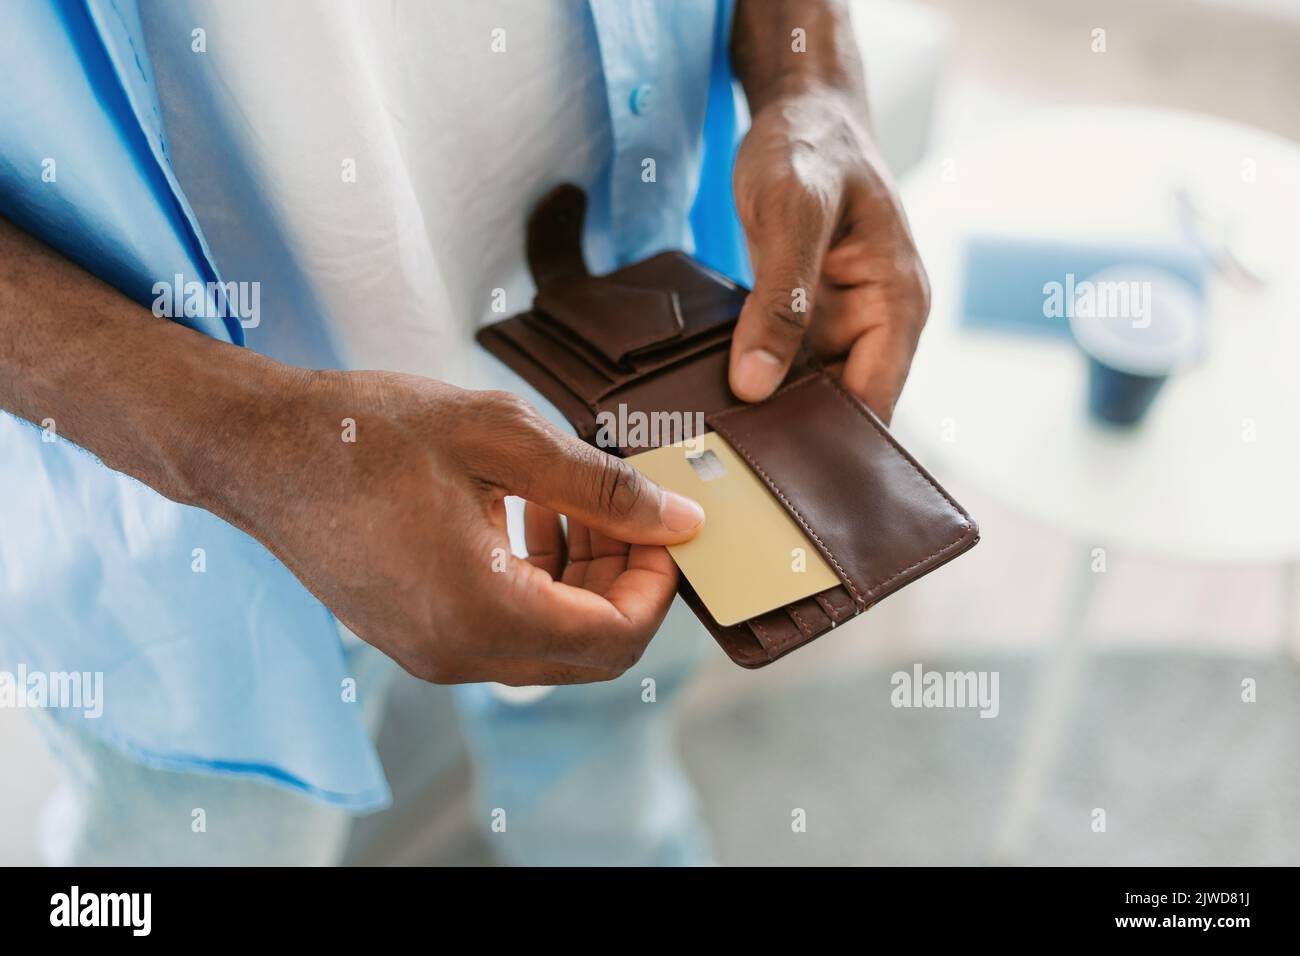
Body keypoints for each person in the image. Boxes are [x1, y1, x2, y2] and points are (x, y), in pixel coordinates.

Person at [0, 0, 928, 865]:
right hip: (175, 509)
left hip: (675, 342)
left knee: (604, 760)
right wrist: (244, 438)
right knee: (201, 837)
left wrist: (813, 77)